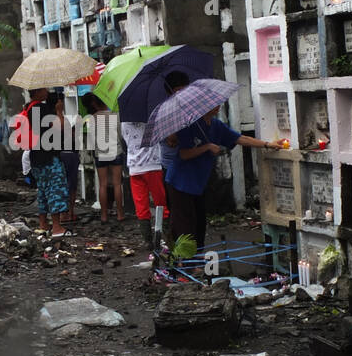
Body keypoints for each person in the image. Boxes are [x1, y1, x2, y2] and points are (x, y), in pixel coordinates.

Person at [166, 103, 282, 252]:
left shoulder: (216, 125)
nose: (218, 106)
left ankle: (198, 257)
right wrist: (206, 147)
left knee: (200, 222)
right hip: (180, 181)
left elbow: (240, 138)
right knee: (185, 223)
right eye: (213, 104)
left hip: (198, 182)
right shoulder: (190, 126)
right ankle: (184, 262)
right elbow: (184, 154)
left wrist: (267, 144)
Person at [30, 91, 71, 238]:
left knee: (42, 191)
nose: (46, 91)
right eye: (44, 89)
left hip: (36, 158)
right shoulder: (43, 110)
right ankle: (56, 227)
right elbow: (60, 127)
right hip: (49, 158)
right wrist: (59, 111)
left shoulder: (30, 108)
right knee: (55, 190)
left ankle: (43, 223)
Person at [122, 118, 167, 249]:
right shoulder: (153, 118)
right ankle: (165, 236)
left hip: (134, 167)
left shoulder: (124, 122)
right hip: (152, 165)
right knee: (161, 203)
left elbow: (125, 141)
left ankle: (147, 240)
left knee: (141, 206)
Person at [83, 93, 125, 223]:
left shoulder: (92, 118)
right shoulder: (114, 115)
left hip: (100, 153)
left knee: (103, 185)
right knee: (117, 184)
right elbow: (120, 134)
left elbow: (91, 139)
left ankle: (104, 216)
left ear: (95, 104)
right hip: (115, 151)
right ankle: (120, 214)